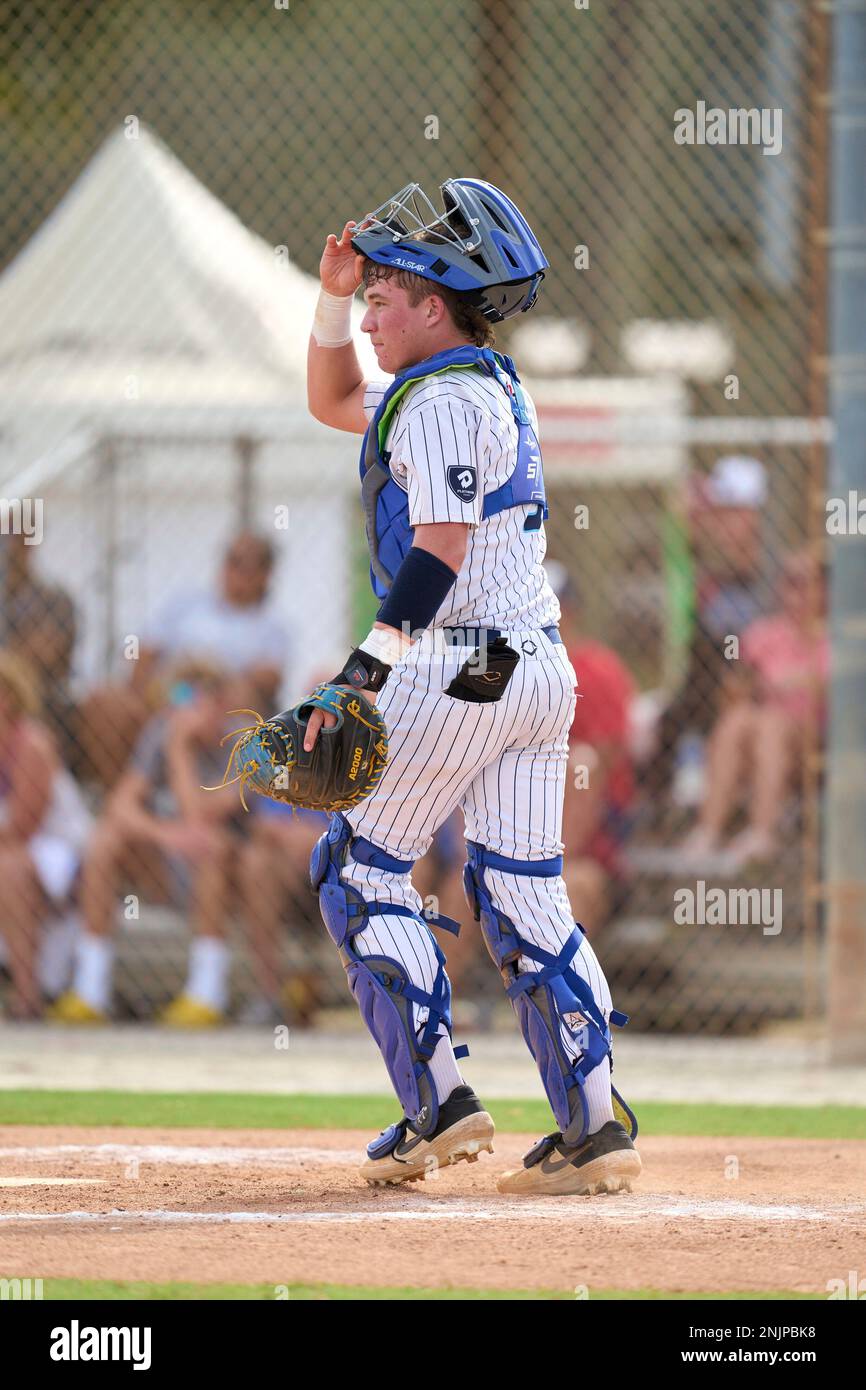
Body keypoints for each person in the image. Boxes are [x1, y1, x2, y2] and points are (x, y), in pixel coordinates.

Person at [303, 179, 641, 1195]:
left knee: (355, 871)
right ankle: (594, 1124)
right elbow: (329, 399)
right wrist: (331, 297)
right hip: (533, 663)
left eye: (384, 298)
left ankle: (438, 1105)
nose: (370, 315)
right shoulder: (474, 382)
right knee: (520, 890)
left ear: (436, 306)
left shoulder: (441, 400)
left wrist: (366, 667)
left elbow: (440, 546)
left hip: (466, 658)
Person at [49, 660, 247, 1025]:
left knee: (213, 845)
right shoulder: (161, 730)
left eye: (195, 699)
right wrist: (164, 834)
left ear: (221, 703)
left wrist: (179, 749)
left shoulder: (243, 741)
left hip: (224, 877)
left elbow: (199, 817)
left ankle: (207, 994)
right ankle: (91, 990)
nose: (182, 710)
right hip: (169, 863)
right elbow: (120, 806)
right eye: (179, 698)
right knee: (106, 840)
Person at [79, 532, 289, 788]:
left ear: (265, 574)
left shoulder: (272, 626)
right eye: (232, 561)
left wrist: (208, 682)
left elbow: (264, 681)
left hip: (217, 706)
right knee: (105, 703)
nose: (236, 572)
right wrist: (142, 693)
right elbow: (145, 650)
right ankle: (119, 794)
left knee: (226, 700)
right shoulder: (186, 602)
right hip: (165, 695)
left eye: (248, 565)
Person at [679, 550, 828, 867]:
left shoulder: (836, 637)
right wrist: (753, 688)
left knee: (771, 723)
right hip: (761, 739)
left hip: (815, 742)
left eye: (805, 583)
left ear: (824, 589)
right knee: (737, 721)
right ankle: (708, 830)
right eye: (789, 583)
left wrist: (800, 682)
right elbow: (736, 689)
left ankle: (763, 831)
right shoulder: (763, 634)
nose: (796, 593)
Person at [547, 562, 637, 938]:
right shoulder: (504, 667)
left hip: (591, 829)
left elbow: (605, 758)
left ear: (569, 610)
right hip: (518, 817)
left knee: (580, 761)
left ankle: (548, 863)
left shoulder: (594, 667)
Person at [0, 651, 91, 1019]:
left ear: (9, 696)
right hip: (12, 847)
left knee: (10, 869)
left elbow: (23, 826)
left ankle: (27, 997)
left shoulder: (32, 743)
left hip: (58, 849)